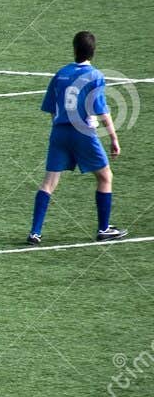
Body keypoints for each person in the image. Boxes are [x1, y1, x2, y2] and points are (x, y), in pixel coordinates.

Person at [28, 31, 126, 244]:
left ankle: (35, 232)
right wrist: (113, 138)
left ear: (74, 49)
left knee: (49, 182)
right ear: (94, 51)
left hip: (59, 132)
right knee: (105, 177)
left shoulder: (61, 73)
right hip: (84, 133)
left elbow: (51, 108)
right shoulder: (95, 76)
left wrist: (60, 126)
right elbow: (101, 110)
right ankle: (103, 229)